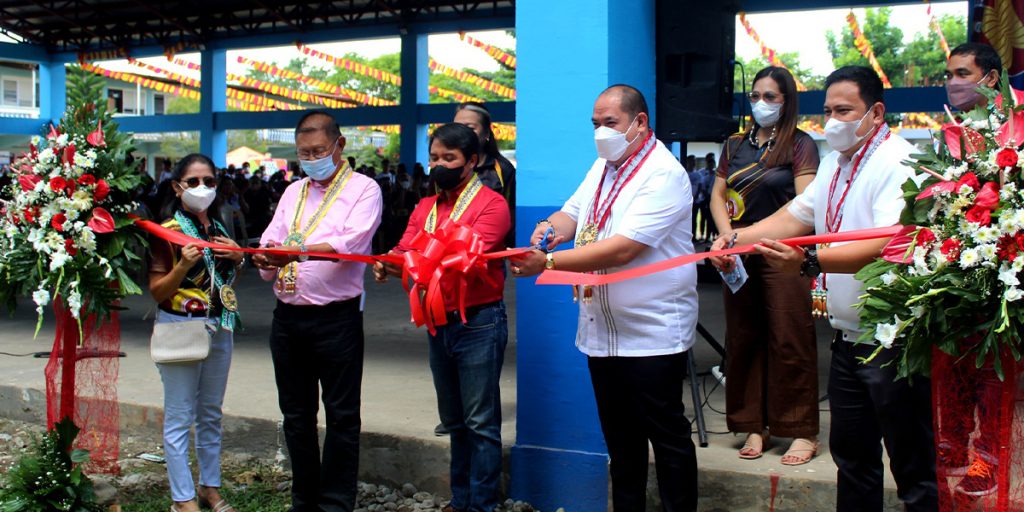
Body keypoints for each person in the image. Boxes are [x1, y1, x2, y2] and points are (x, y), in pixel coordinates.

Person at [710, 66, 936, 511]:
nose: (833, 120)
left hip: (892, 340)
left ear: (875, 112)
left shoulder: (901, 162)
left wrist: (810, 260)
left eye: (844, 110)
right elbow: (793, 217)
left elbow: (887, 241)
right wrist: (735, 239)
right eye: (828, 110)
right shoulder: (836, 163)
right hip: (849, 339)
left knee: (912, 466)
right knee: (852, 459)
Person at [511, 84, 698, 511]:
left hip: (652, 330)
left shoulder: (662, 173)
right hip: (602, 326)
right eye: (595, 124)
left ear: (639, 123)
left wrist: (551, 263)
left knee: (668, 439)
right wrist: (548, 228)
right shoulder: (604, 166)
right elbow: (572, 212)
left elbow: (626, 247)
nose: (600, 132)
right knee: (621, 440)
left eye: (609, 123)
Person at [374, 123, 510, 512]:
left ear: (472, 161)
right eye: (434, 158)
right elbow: (404, 250)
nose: (439, 165)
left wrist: (411, 260)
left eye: (449, 158)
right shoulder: (425, 207)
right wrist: (389, 264)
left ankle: (483, 505)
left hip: (479, 322)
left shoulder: (492, 205)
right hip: (437, 322)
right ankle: (461, 498)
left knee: (480, 422)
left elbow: (462, 258)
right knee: (454, 420)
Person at [252, 110, 383, 512]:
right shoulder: (293, 192)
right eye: (303, 153)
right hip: (288, 318)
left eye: (318, 150)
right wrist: (265, 258)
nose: (311, 159)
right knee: (296, 415)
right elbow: (272, 239)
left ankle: (336, 503)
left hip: (336, 319)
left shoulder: (364, 189)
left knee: (342, 416)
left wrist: (297, 252)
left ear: (339, 146)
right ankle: (304, 500)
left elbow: (350, 245)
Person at [709, 66, 821, 465]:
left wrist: (744, 236)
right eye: (756, 95)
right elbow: (717, 195)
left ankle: (800, 430)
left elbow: (803, 207)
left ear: (787, 100)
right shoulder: (735, 144)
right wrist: (727, 238)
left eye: (771, 96)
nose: (761, 103)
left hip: (781, 251)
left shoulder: (801, 144)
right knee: (742, 338)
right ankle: (753, 424)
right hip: (737, 255)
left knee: (789, 337)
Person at [148, 154, 244, 512]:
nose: (203, 189)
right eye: (193, 182)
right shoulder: (168, 231)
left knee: (211, 412)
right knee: (178, 416)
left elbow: (228, 284)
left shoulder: (218, 230)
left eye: (210, 181)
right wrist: (183, 265)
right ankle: (182, 498)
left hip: (219, 327)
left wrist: (238, 260)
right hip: (180, 328)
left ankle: (210, 488)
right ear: (177, 187)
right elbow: (158, 291)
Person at [936, 42, 1004, 498]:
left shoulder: (1015, 128)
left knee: (993, 370)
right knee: (954, 359)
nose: (954, 82)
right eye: (951, 74)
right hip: (960, 263)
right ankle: (954, 444)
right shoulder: (953, 132)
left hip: (1003, 261)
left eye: (964, 73)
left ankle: (989, 456)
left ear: (991, 78)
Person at [454, 102, 517, 248]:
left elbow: (510, 215)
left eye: (470, 128)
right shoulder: (443, 169)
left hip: (489, 253)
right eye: (457, 127)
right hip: (446, 252)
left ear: (487, 133)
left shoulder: (503, 169)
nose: (462, 134)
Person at [945, 42, 1002, 112]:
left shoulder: (1016, 117)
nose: (952, 83)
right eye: (949, 76)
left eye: (962, 73)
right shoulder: (953, 123)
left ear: (991, 78)